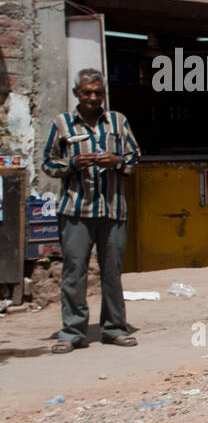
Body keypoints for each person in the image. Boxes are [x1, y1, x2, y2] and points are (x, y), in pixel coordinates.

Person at [41, 68, 141, 352]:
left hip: (113, 209)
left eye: (98, 92)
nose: (93, 98)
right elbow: (48, 163)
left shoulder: (118, 122)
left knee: (112, 272)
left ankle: (114, 328)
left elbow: (135, 158)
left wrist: (117, 162)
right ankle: (72, 331)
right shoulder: (62, 124)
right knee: (74, 272)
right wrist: (73, 163)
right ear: (77, 94)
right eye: (87, 93)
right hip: (76, 210)